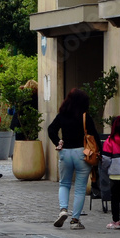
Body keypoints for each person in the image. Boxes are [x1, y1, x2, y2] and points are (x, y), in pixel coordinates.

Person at [47, 88, 101, 230]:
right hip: (82, 153)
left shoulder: (62, 116)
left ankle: (63, 209)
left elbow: (51, 129)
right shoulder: (85, 117)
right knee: (80, 188)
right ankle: (75, 220)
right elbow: (94, 136)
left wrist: (58, 141)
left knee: (64, 184)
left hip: (65, 153)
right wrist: (100, 153)